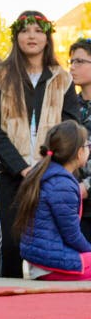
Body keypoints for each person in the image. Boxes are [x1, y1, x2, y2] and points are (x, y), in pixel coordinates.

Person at [0, 10, 79, 278]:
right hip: (13, 173)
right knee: (12, 243)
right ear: (16, 36)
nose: (32, 36)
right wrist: (22, 168)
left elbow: (70, 126)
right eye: (25, 30)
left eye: (38, 30)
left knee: (52, 240)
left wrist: (50, 166)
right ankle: (9, 297)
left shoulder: (63, 78)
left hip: (52, 173)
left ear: (48, 37)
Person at [16, 120, 91, 280]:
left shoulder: (46, 173)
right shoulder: (62, 184)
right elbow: (72, 236)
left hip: (41, 256)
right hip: (48, 263)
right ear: (79, 152)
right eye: (87, 145)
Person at [69, 38, 91, 241]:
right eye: (71, 61)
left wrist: (88, 186)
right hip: (74, 201)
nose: (72, 67)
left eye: (79, 61)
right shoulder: (69, 105)